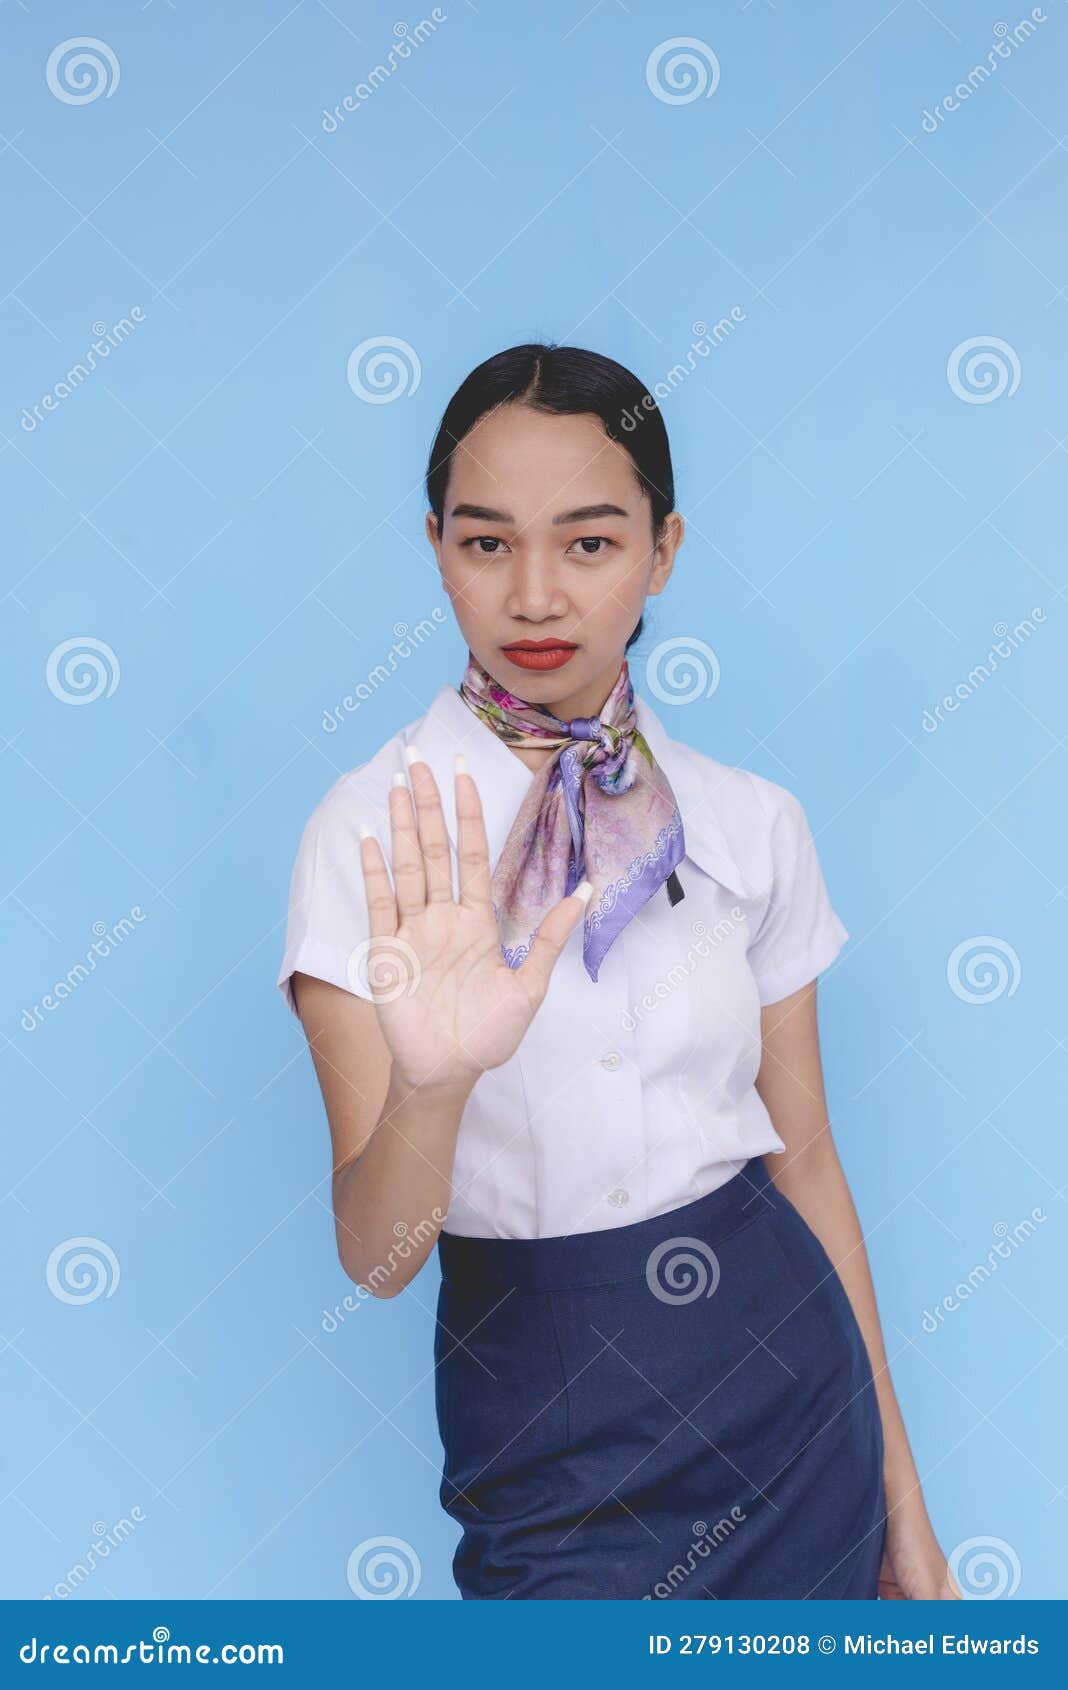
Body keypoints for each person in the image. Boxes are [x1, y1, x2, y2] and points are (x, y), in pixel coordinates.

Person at [277, 343, 957, 1601]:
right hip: (541, 1421)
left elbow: (804, 1162)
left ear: (665, 548)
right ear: (436, 546)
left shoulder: (752, 824)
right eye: (487, 544)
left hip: (790, 1404)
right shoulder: (370, 834)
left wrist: (906, 1517)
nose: (536, 596)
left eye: (589, 543)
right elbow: (376, 1260)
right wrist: (435, 1086)